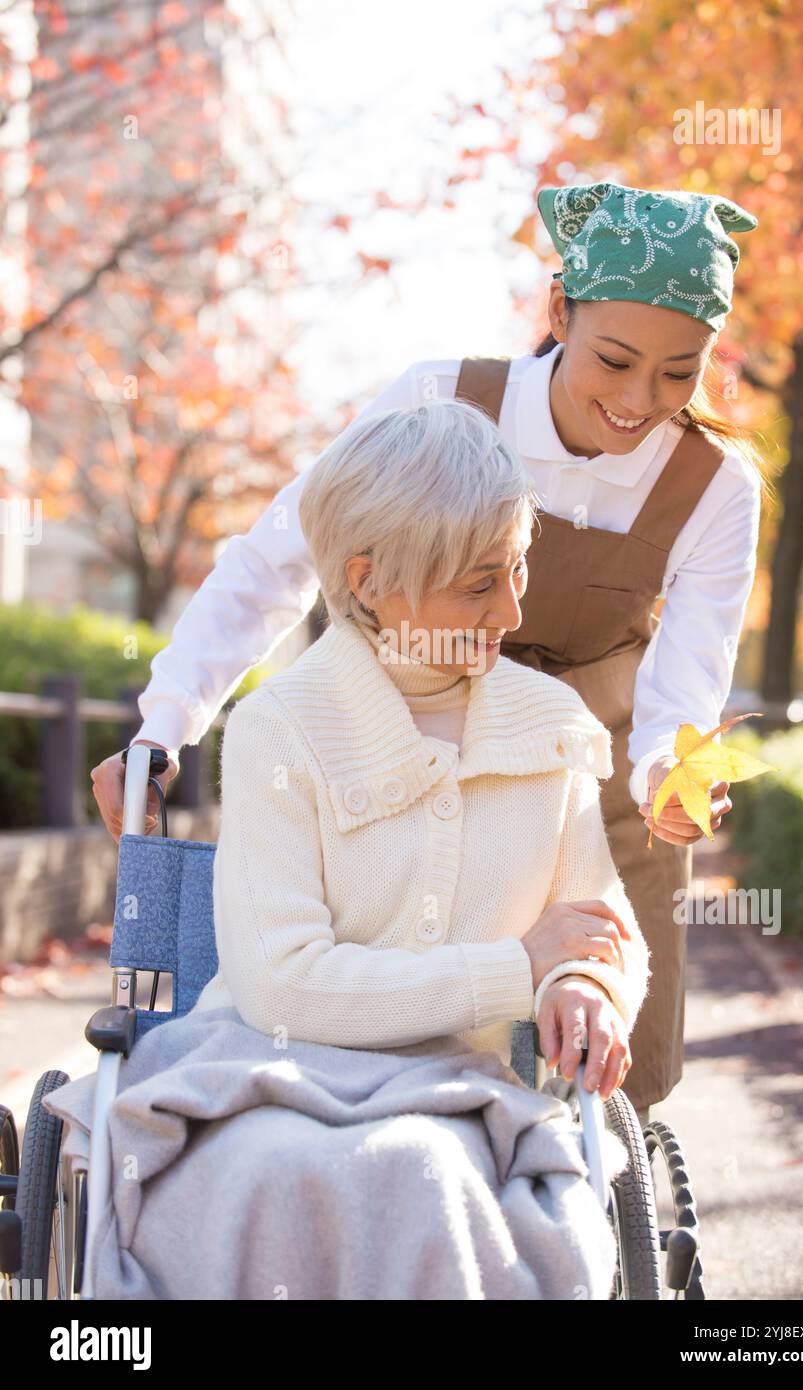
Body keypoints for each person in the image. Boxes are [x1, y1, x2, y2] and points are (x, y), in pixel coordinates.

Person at [91, 179, 765, 1127]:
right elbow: (277, 562)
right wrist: (166, 726)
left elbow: (683, 686)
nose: (637, 400)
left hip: (585, 777)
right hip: (387, 754)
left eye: (676, 373)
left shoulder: (716, 489)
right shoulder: (439, 400)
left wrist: (668, 777)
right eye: (613, 360)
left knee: (604, 1084)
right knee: (379, 1017)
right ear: (559, 311)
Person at [50, 398, 652, 1301]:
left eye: (518, 569)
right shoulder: (280, 729)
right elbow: (282, 984)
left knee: (425, 1173)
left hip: (462, 1090)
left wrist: (581, 983)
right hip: (262, 1078)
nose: (514, 607)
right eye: (480, 582)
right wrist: (515, 967)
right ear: (370, 581)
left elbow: (600, 927)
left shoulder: (551, 726)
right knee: (281, 1173)